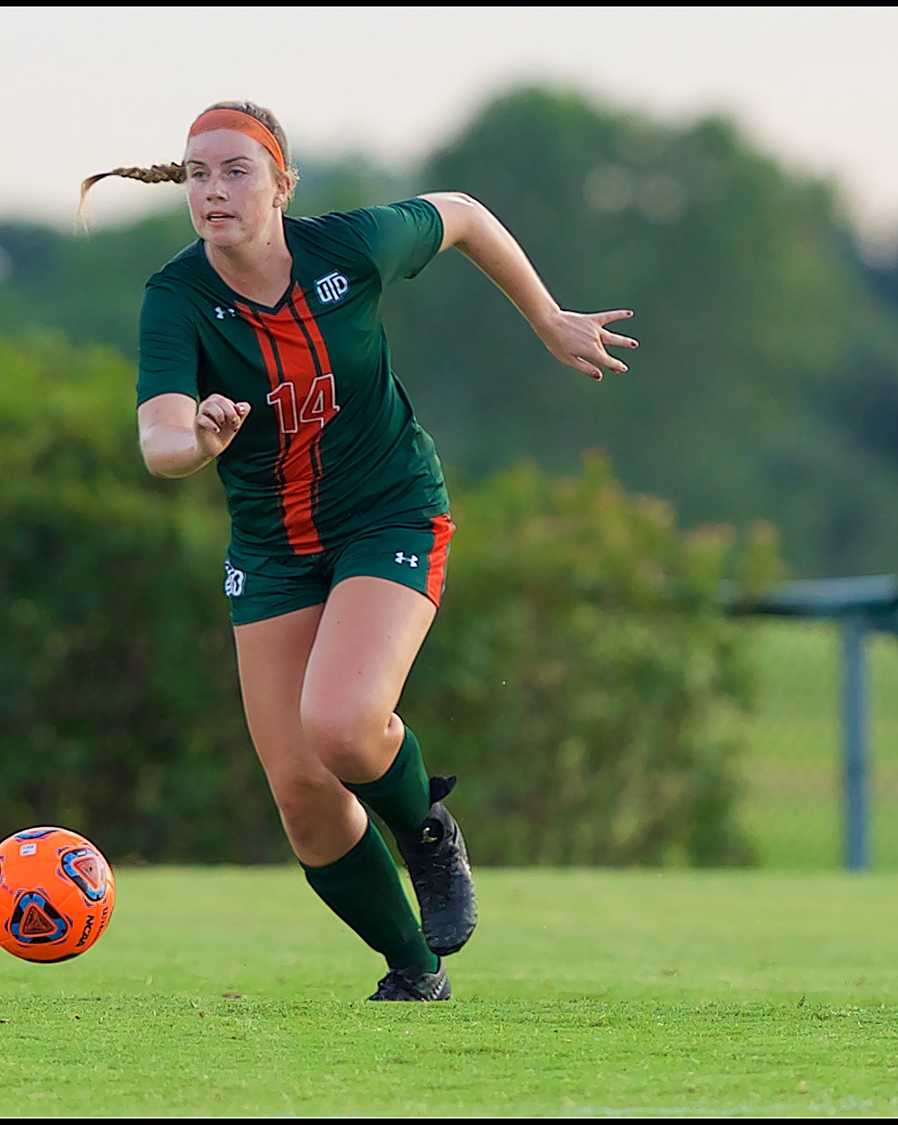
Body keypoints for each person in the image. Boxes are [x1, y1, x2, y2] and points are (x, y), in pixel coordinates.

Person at [83, 102, 636, 1001]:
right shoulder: (176, 297)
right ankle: (415, 970)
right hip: (273, 551)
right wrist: (201, 438)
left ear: (282, 185)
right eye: (198, 174)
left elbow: (463, 214)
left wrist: (544, 317)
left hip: (389, 514)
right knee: (303, 796)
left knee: (341, 724)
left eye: (236, 172)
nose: (214, 191)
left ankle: (426, 830)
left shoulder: (351, 247)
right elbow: (159, 442)